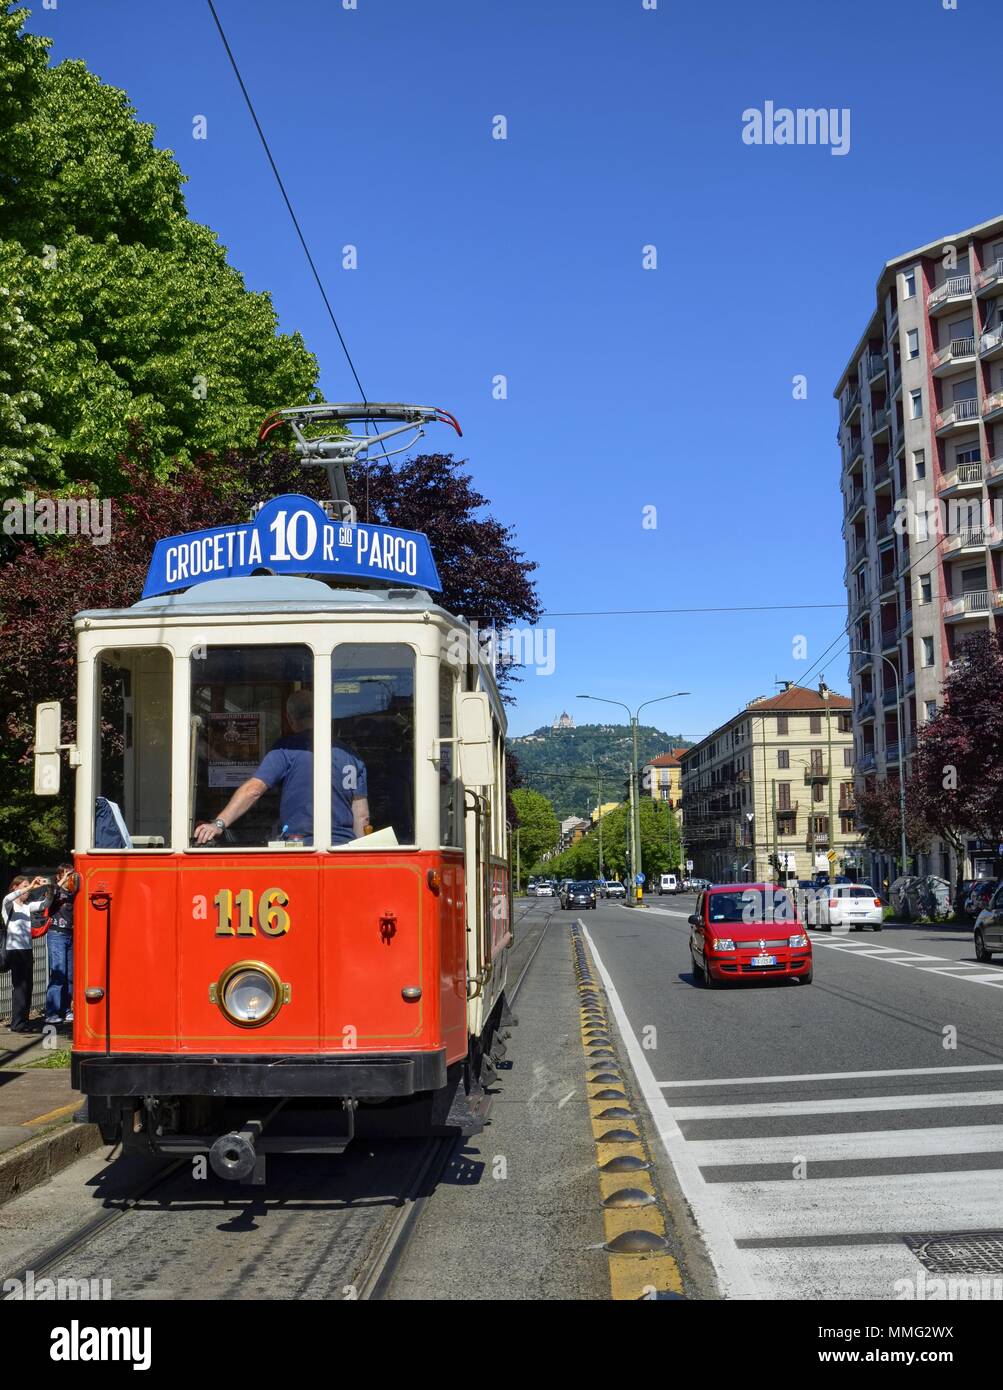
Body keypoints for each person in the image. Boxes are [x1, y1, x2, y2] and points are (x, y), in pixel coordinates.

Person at [194, 690, 369, 846]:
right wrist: (360, 853)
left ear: (290, 719)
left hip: (302, 847)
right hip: (344, 849)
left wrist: (218, 823)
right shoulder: (351, 756)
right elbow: (361, 816)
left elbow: (253, 790)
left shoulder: (286, 750)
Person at [2, 875, 49, 1033]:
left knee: (28, 987)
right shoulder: (8, 905)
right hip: (14, 950)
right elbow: (10, 896)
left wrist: (50, 887)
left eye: (28, 888)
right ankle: (17, 1024)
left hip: (27, 950)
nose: (27, 891)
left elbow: (45, 904)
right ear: (15, 887)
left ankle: (24, 1020)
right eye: (23, 887)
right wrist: (31, 886)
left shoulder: (26, 907)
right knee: (20, 987)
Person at [44, 863, 78, 1027]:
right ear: (59, 876)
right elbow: (50, 895)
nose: (70, 878)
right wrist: (63, 878)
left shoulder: (73, 893)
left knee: (70, 975)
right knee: (58, 973)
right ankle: (51, 1012)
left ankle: (66, 1009)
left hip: (70, 935)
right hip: (56, 934)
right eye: (67, 874)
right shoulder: (54, 891)